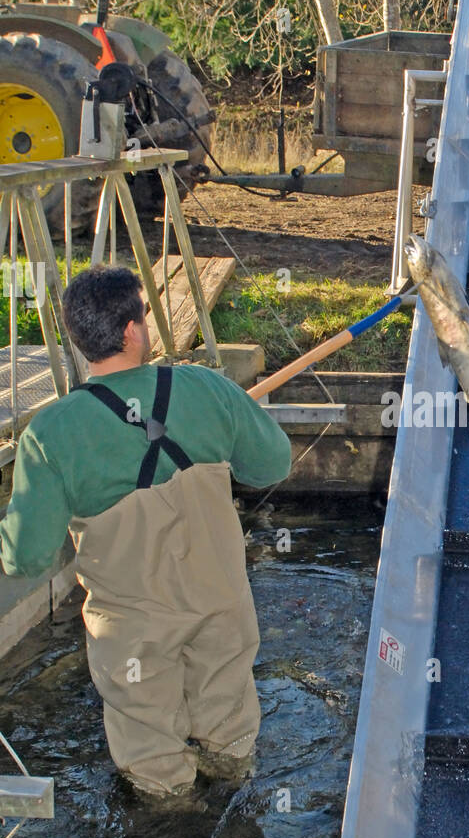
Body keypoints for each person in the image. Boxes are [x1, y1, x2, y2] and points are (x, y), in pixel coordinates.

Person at [0, 265, 292, 798]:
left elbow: (26, 558)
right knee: (231, 740)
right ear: (134, 330)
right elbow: (272, 465)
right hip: (219, 605)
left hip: (132, 631)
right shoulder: (206, 387)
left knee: (155, 767)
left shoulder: (50, 434)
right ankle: (237, 831)